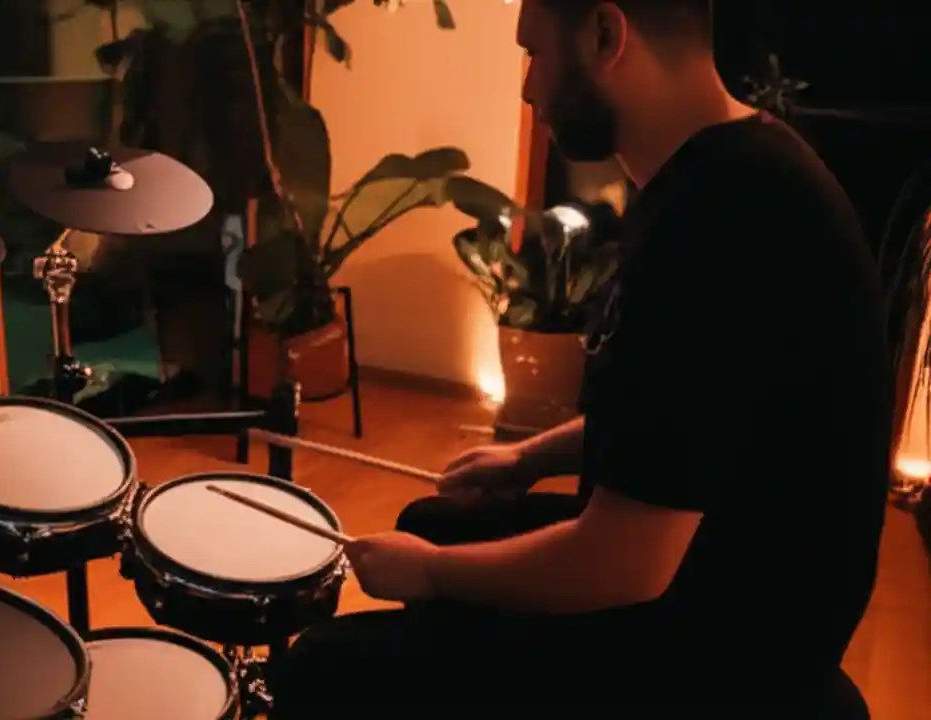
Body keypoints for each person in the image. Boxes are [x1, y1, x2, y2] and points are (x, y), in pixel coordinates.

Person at [269, 0, 893, 715]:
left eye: (535, 54)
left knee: (321, 669)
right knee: (429, 519)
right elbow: (674, 424)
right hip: (713, 566)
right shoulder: (727, 166)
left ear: (605, 34)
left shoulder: (728, 220)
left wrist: (437, 576)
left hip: (730, 652)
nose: (528, 87)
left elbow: (624, 565)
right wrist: (529, 458)